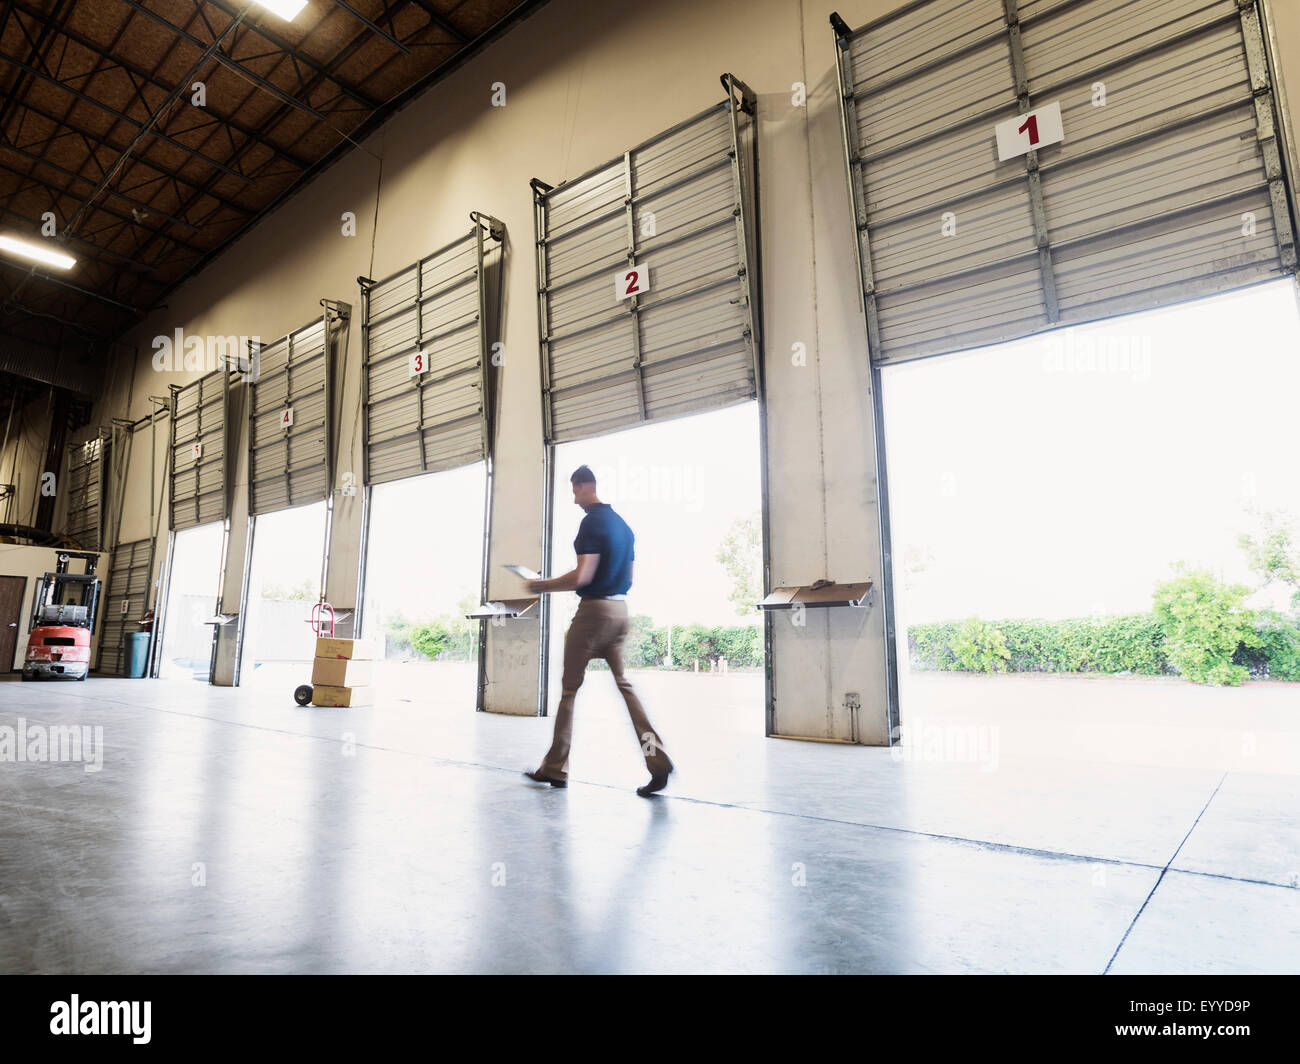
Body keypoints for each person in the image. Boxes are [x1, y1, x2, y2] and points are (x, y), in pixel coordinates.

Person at [524, 465, 674, 797]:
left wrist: (540, 585)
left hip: (593, 614)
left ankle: (555, 768)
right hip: (621, 611)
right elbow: (630, 578)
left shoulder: (590, 522)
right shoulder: (624, 526)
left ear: (579, 487)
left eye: (574, 491)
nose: (574, 499)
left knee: (569, 692)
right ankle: (658, 760)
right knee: (626, 688)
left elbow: (582, 577)